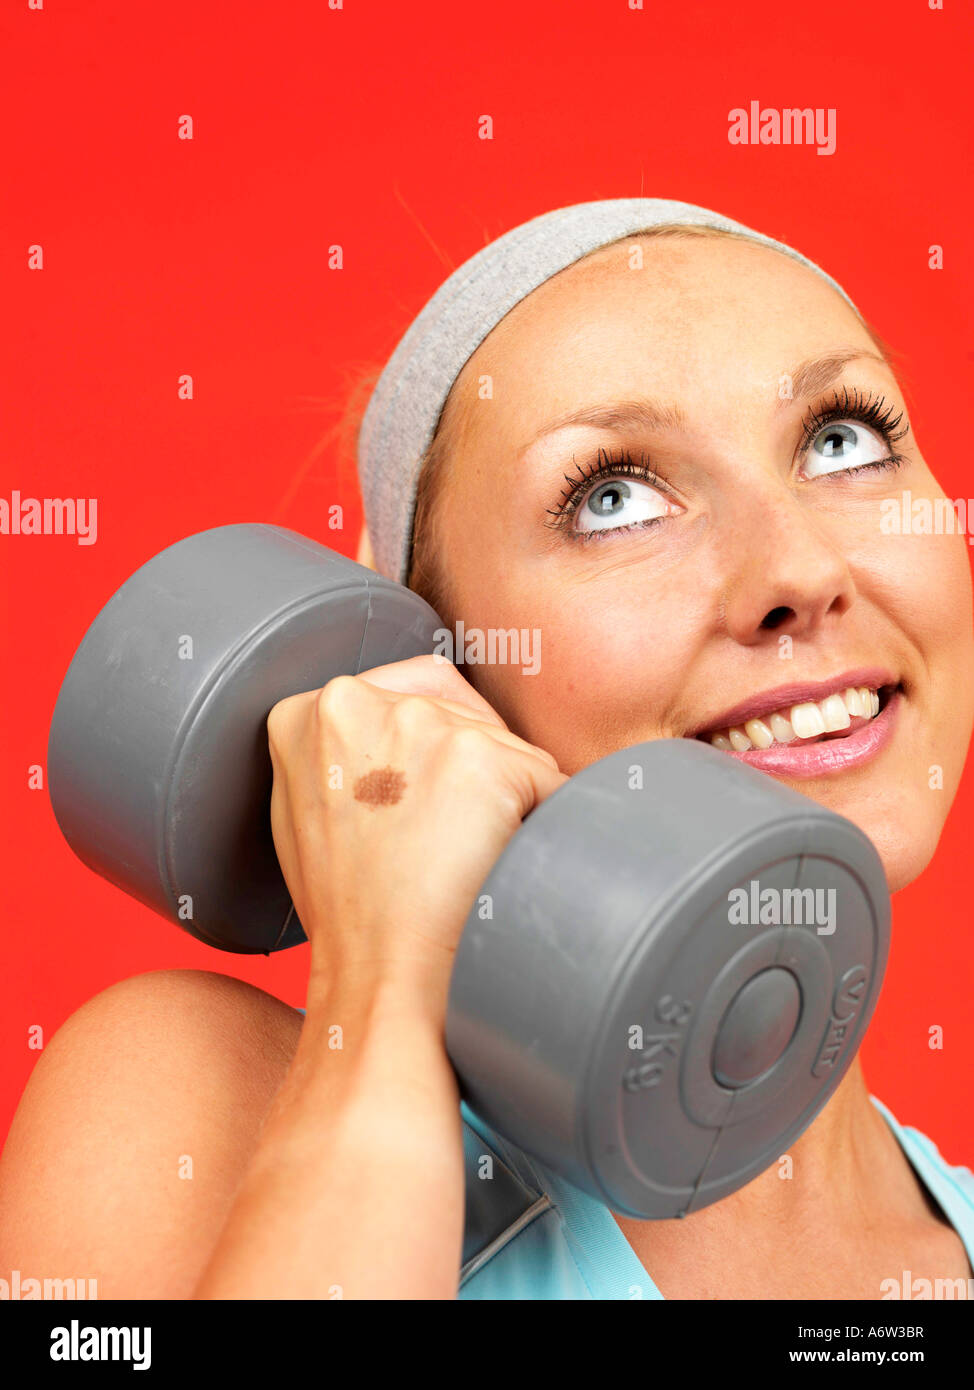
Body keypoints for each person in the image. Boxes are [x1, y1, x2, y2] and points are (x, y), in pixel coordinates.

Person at [1, 199, 972, 1300]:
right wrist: (378, 1001)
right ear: (424, 663)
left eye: (842, 440)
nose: (795, 570)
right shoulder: (194, 1111)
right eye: (612, 498)